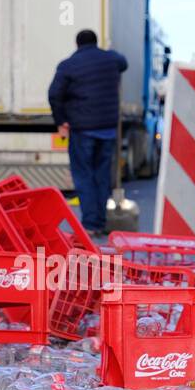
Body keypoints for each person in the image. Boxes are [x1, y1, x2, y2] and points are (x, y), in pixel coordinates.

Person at [47, 29, 128, 237]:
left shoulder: (69, 65)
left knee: (84, 176)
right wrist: (107, 52)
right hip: (107, 130)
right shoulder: (110, 60)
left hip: (82, 130)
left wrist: (61, 121)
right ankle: (99, 222)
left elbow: (54, 94)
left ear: (77, 44)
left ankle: (91, 223)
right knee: (102, 176)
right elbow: (123, 62)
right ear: (96, 42)